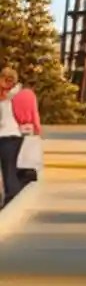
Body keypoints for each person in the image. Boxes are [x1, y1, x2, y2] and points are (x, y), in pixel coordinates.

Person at [0, 66, 41, 207]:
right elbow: (33, 112)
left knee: (8, 169)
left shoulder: (12, 96)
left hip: (8, 135)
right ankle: (12, 195)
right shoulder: (21, 94)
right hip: (15, 135)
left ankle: (12, 198)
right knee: (9, 168)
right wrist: (36, 128)